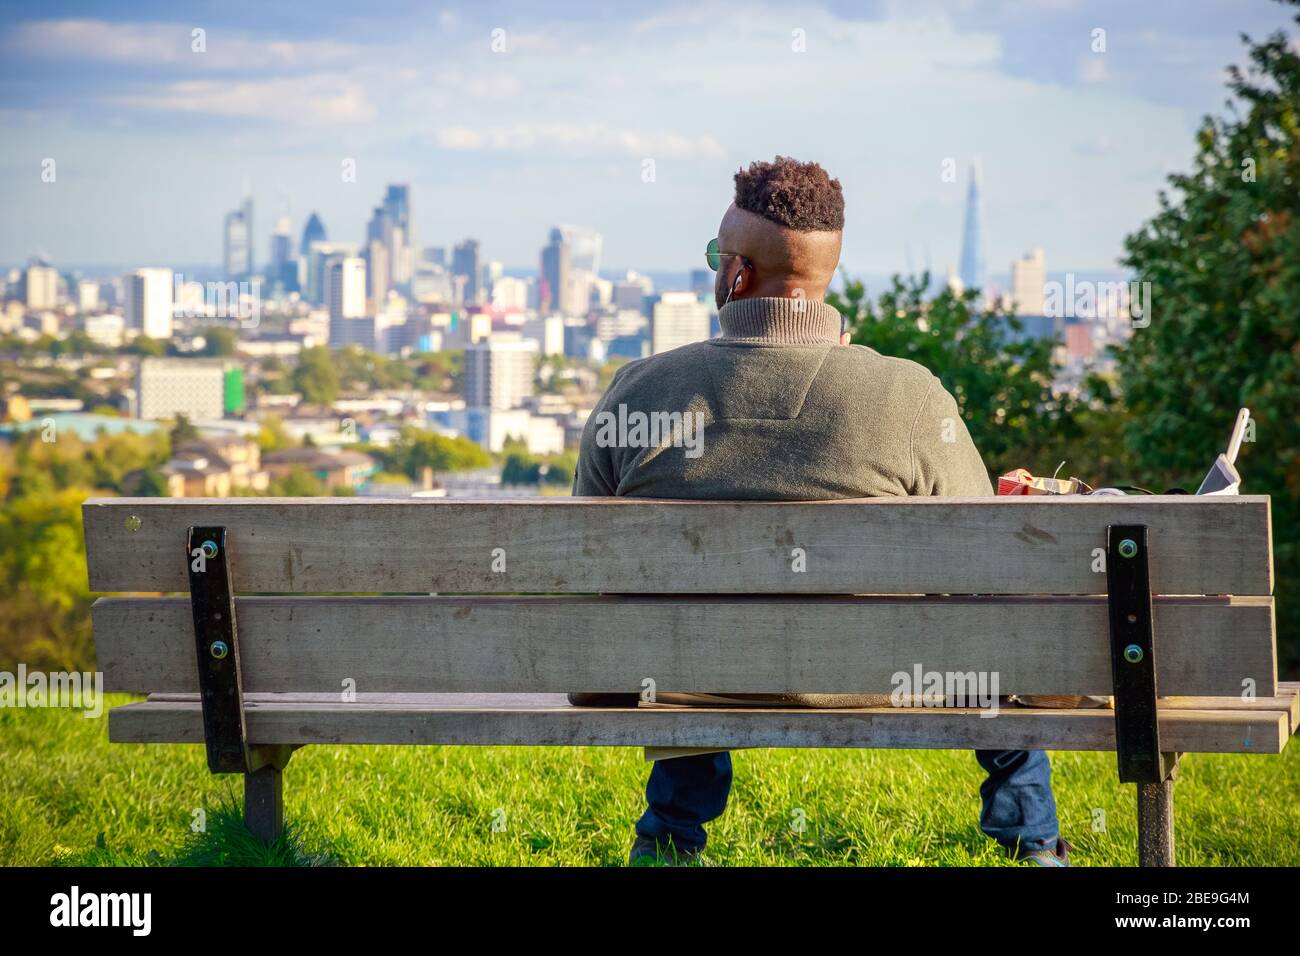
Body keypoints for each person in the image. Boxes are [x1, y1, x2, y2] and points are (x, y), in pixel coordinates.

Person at [570, 156, 1070, 867]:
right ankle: (1034, 844)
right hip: (886, 677)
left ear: (736, 275)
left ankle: (670, 839)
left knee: (689, 638)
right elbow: (987, 571)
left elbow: (586, 560)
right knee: (990, 630)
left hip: (682, 676)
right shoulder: (910, 395)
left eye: (717, 256)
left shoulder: (639, 391)